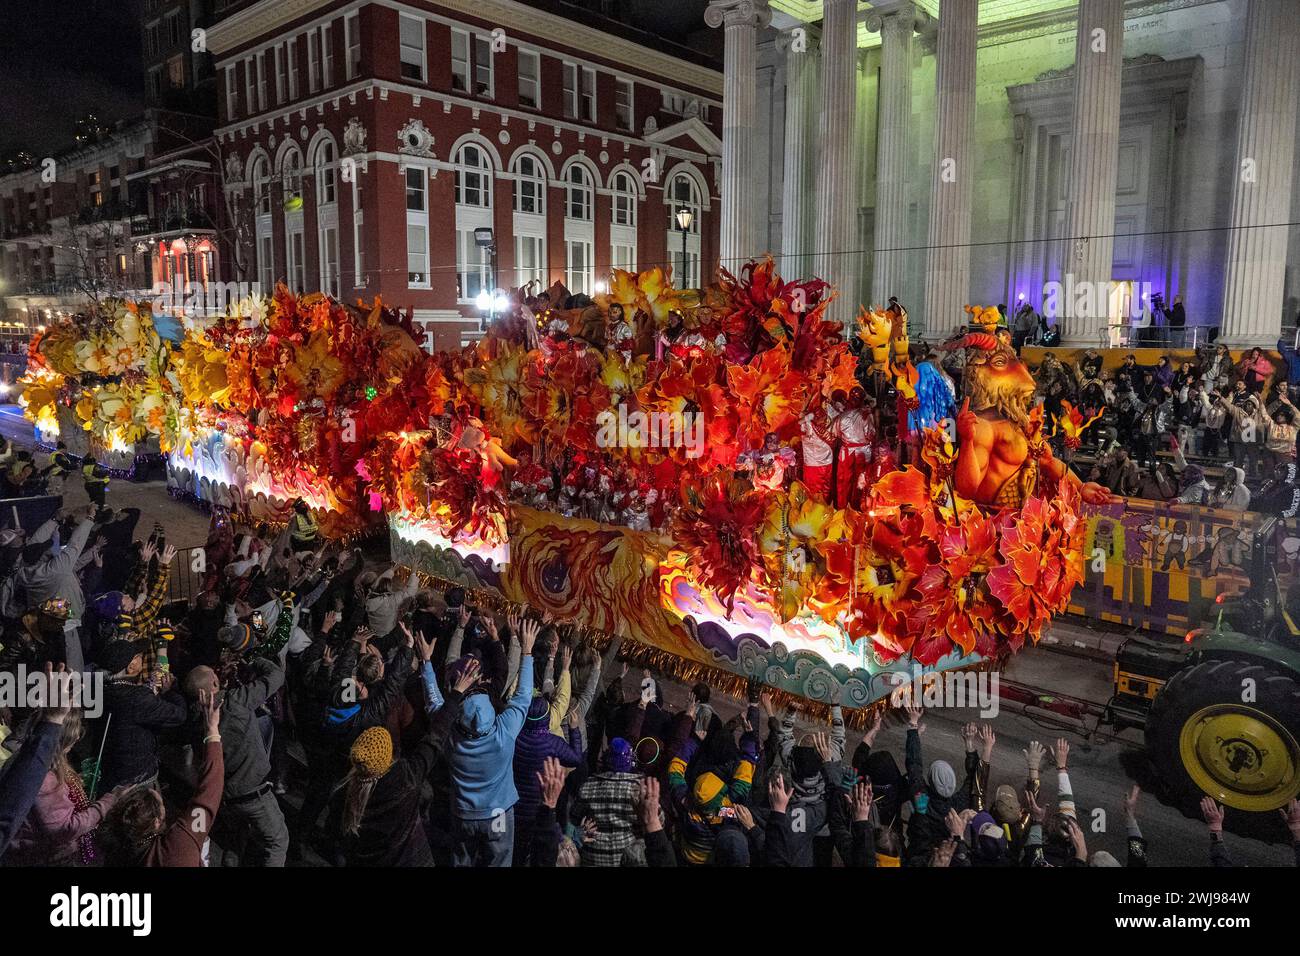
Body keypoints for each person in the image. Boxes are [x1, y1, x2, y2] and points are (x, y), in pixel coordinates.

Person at [339, 657, 479, 866]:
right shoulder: (404, 777)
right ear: (387, 757)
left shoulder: (348, 791)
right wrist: (457, 693)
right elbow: (435, 736)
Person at [447, 616, 539, 866]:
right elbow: (522, 699)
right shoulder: (504, 731)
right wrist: (527, 651)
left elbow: (433, 701)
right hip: (498, 814)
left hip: (464, 813)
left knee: (461, 860)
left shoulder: (447, 730)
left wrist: (425, 664)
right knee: (498, 861)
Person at [182, 652, 289, 867]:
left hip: (226, 797)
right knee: (278, 841)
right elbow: (276, 676)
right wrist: (251, 660)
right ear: (214, 682)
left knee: (235, 841)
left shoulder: (192, 719)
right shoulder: (234, 702)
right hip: (254, 793)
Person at [101, 689, 223, 866]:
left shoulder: (114, 854)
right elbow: (208, 795)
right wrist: (212, 732)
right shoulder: (179, 845)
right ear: (157, 822)